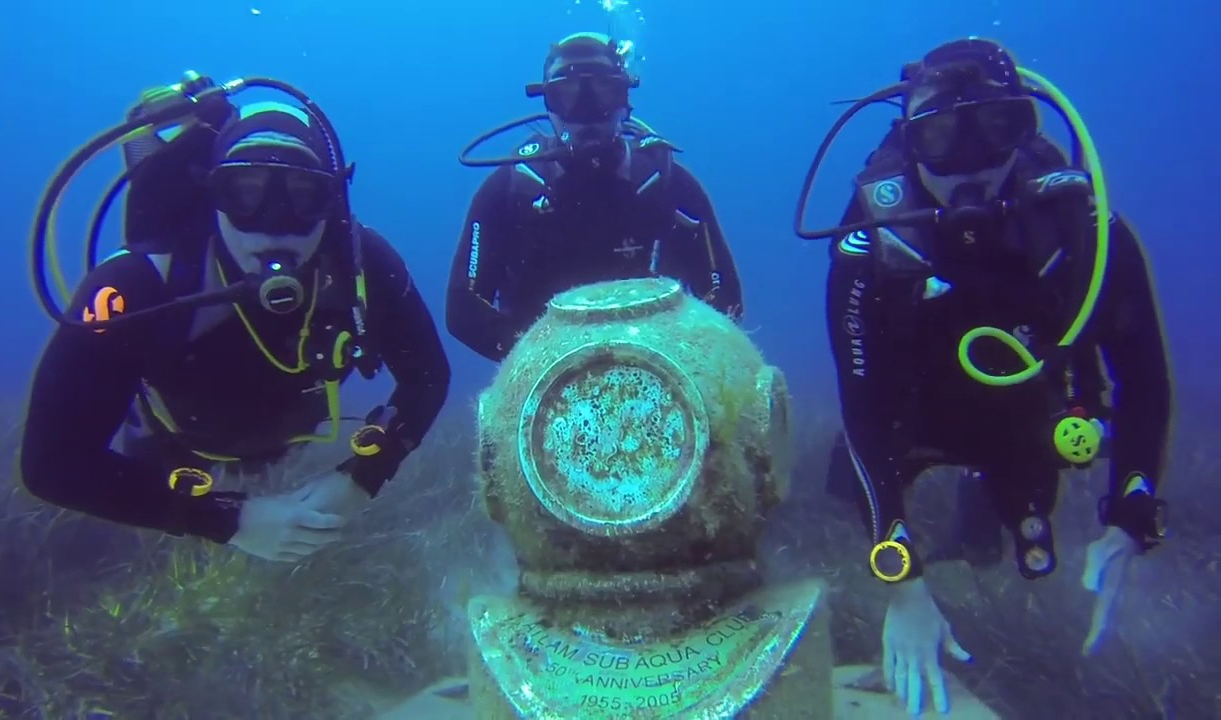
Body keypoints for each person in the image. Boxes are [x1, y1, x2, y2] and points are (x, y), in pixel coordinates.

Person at [793, 39, 1171, 715]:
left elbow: (1144, 380)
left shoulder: (1080, 228)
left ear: (1025, 129)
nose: (971, 166)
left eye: (997, 130)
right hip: (912, 419)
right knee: (850, 474)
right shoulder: (870, 242)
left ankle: (990, 504)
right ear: (911, 143)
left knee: (1019, 514)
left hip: (1024, 411)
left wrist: (1133, 512)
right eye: (940, 137)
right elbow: (862, 406)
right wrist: (901, 582)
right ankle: (965, 510)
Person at [22, 72, 451, 563]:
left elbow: (428, 377)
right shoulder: (137, 285)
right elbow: (50, 463)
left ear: (331, 202)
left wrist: (360, 479)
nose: (274, 225)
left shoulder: (362, 262)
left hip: (292, 446)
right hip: (176, 457)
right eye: (244, 193)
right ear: (213, 197)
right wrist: (227, 519)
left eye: (303, 195)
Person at [447, 32, 744, 361]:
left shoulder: (666, 185)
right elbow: (463, 307)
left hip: (656, 368)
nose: (586, 111)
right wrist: (539, 359)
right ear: (548, 103)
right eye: (568, 94)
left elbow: (724, 295)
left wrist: (678, 358)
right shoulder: (509, 192)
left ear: (624, 98)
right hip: (544, 375)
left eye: (603, 91)